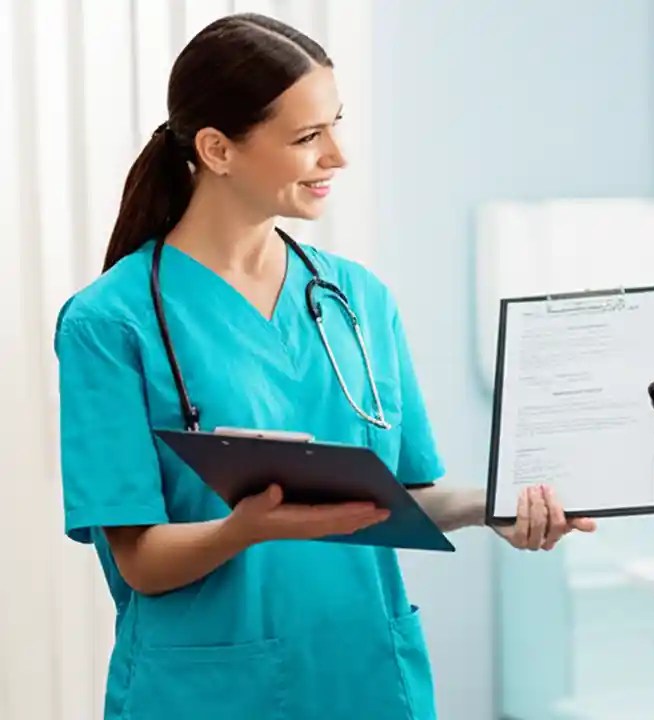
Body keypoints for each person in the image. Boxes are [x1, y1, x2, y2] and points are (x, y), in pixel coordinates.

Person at [55, 13, 594, 720]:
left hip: (365, 677)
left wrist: (491, 505)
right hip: (209, 691)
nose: (337, 156)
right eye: (308, 137)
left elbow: (396, 497)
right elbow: (139, 560)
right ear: (218, 149)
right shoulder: (111, 321)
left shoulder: (356, 299)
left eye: (336, 125)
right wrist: (244, 529)